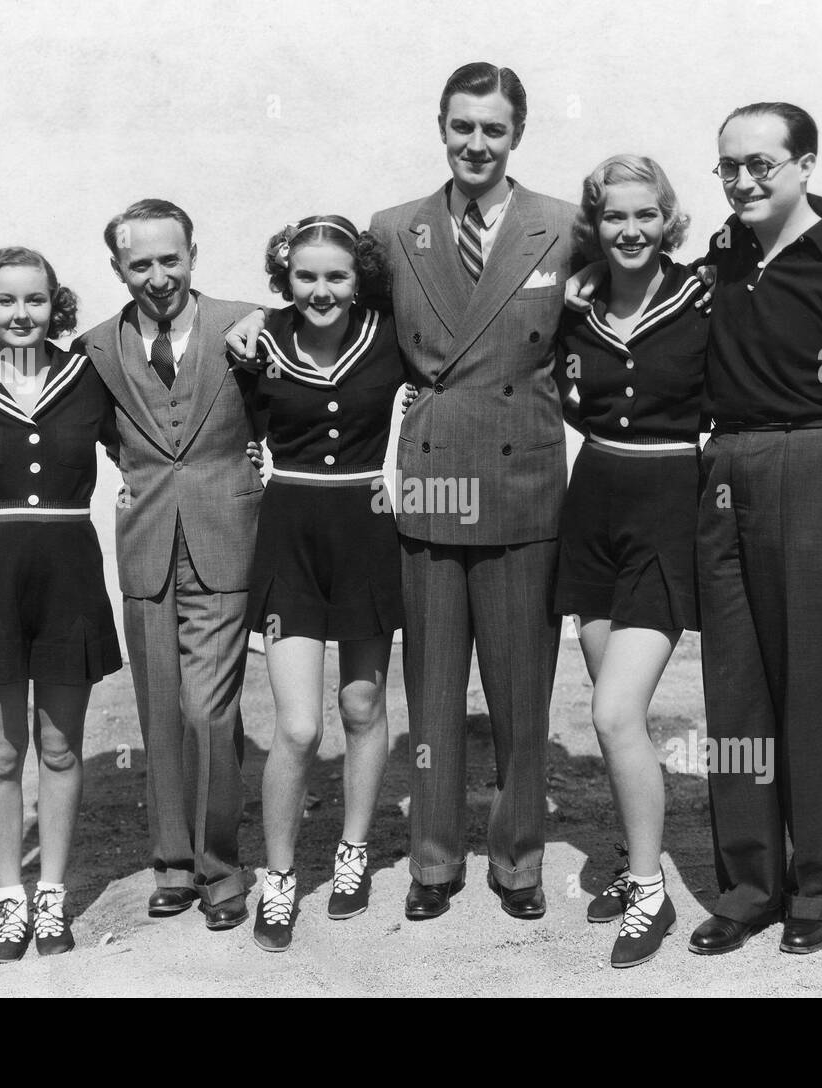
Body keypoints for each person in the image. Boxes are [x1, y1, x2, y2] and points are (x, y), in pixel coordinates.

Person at [575, 104, 822, 956]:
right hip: (724, 473)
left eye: (761, 165)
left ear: (805, 164)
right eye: (728, 166)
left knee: (809, 691)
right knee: (735, 695)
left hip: (817, 470)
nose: (743, 181)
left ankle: (813, 890)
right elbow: (638, 293)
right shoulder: (724, 259)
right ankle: (748, 885)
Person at [232, 64, 580, 923]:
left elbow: (638, 308)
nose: (476, 144)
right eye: (462, 126)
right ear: (441, 127)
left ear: (517, 135)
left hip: (520, 482)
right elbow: (325, 310)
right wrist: (247, 319)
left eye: (493, 129)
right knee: (427, 693)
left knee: (519, 690)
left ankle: (519, 860)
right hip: (426, 487)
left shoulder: (565, 227)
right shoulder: (393, 232)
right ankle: (432, 861)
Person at [0, 200, 265, 931]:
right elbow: (38, 431)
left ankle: (220, 866)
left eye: (169, 259)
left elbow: (302, 377)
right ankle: (172, 864)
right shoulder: (95, 353)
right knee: (160, 712)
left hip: (224, 539)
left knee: (209, 713)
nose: (157, 276)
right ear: (118, 269)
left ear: (193, 254)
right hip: (143, 549)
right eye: (139, 263)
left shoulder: (247, 322)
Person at [0, 247, 122, 961]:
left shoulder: (88, 382)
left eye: (34, 301)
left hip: (69, 575)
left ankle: (52, 896)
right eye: (5, 302)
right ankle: (10, 898)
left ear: (54, 305)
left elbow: (144, 454)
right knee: (0, 750)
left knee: (61, 745)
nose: (21, 315)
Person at [551, 155, 706, 967]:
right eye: (615, 217)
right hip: (594, 505)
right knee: (619, 716)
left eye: (646, 215)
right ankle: (634, 853)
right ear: (596, 224)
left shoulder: (703, 295)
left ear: (668, 218)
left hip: (668, 508)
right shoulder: (573, 305)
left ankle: (651, 890)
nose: (632, 230)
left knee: (613, 714)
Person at [244, 216, 404, 951]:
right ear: (286, 278)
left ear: (358, 278)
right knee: (301, 724)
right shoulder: (258, 340)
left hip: (368, 532)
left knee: (363, 703)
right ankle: (278, 877)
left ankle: (352, 852)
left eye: (336, 276)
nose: (321, 290)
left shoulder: (392, 334)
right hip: (291, 535)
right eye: (306, 276)